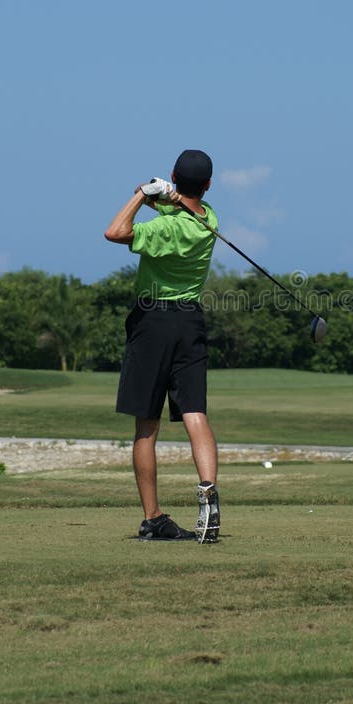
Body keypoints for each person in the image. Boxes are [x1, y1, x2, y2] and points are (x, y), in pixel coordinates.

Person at [104, 149, 220, 543]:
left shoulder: (161, 231)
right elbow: (182, 210)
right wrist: (168, 197)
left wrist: (141, 193)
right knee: (195, 412)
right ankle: (208, 490)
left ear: (173, 174)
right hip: (190, 321)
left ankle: (153, 518)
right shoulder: (208, 221)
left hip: (152, 321)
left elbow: (115, 231)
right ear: (207, 185)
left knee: (147, 424)